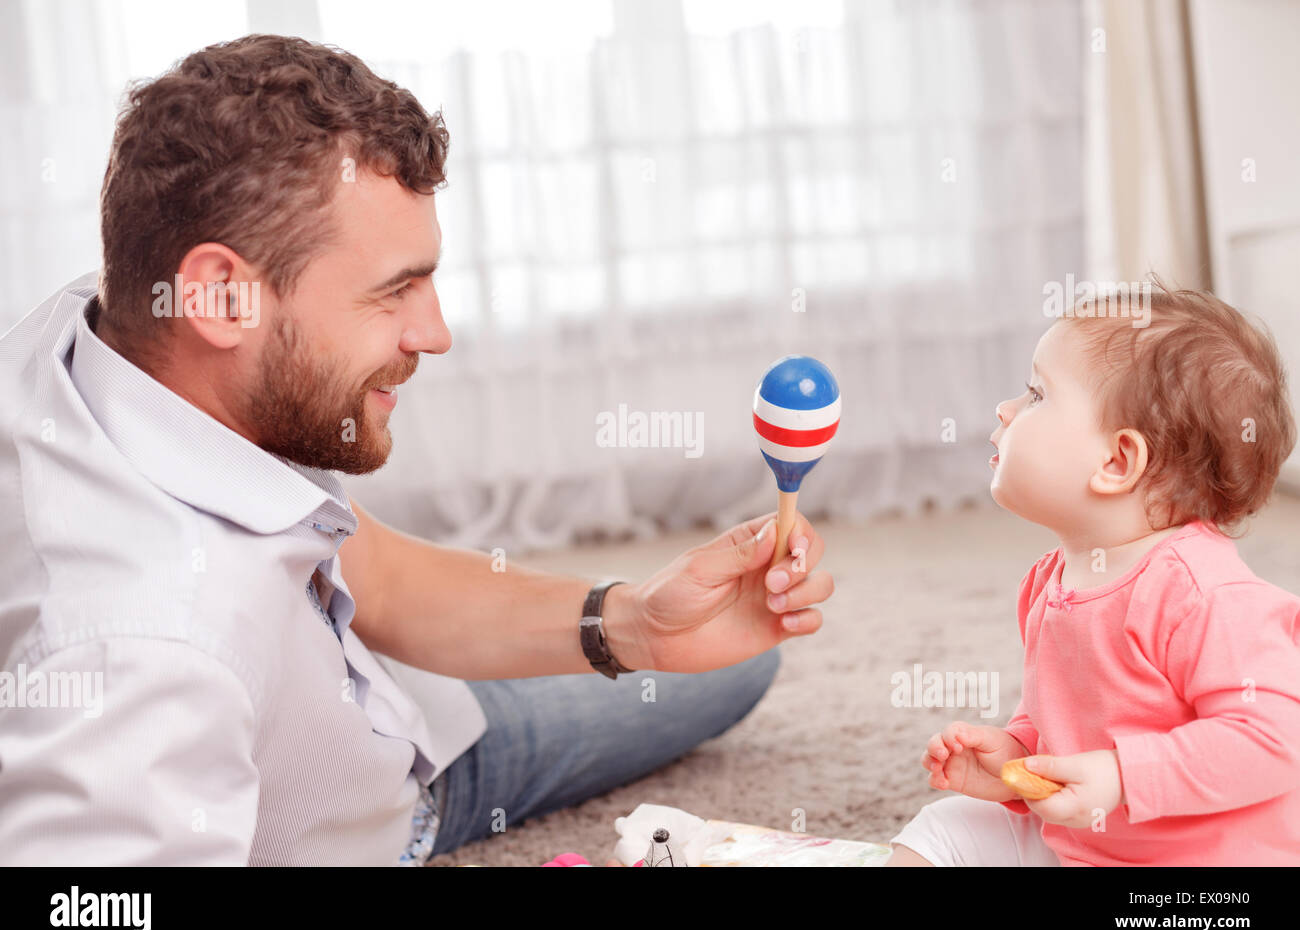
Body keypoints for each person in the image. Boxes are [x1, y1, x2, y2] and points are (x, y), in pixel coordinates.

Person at [0, 34, 833, 865]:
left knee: (733, 661)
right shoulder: (140, 652)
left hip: (392, 702)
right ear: (219, 295)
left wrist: (635, 622)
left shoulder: (120, 334)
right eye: (395, 289)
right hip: (400, 814)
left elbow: (372, 573)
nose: (433, 334)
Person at [887, 280, 1300, 866]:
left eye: (1035, 394)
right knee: (942, 831)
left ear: (1116, 461)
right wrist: (1018, 760)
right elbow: (1062, 717)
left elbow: (1275, 739)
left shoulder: (1205, 594)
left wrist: (1124, 778)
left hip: (1204, 874)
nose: (1005, 410)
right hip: (1087, 842)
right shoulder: (1049, 581)